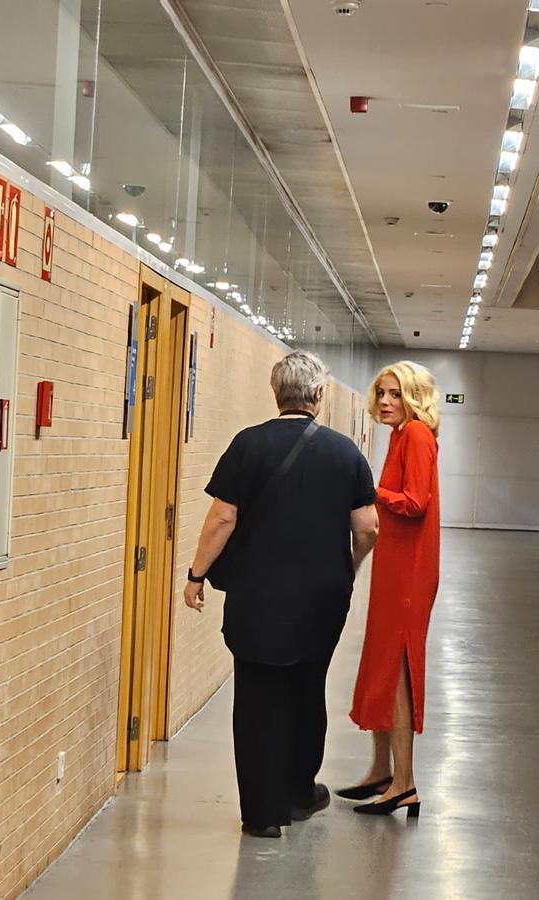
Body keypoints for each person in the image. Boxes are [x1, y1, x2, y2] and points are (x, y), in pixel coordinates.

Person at [184, 351, 379, 839]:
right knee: (307, 688)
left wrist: (195, 574)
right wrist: (347, 567)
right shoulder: (344, 452)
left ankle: (261, 813)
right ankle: (299, 792)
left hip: (257, 596)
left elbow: (223, 518)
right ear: (318, 394)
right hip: (322, 597)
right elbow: (368, 527)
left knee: (255, 696)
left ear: (277, 392)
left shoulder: (247, 446)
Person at [341, 361, 441, 818]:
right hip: (395, 561)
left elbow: (416, 502)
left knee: (398, 667)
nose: (384, 401)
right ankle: (382, 770)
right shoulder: (400, 435)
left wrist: (371, 491)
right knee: (383, 660)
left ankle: (405, 784)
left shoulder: (417, 435)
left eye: (395, 394)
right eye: (381, 392)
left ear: (414, 397)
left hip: (410, 569)